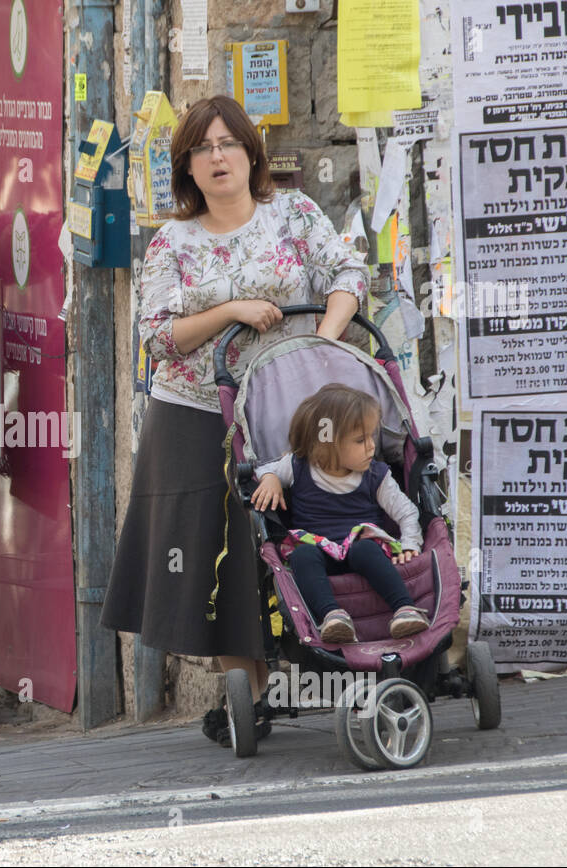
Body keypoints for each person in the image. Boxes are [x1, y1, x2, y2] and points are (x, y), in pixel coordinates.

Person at [100, 95, 368, 746]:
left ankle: (303, 671)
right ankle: (246, 692)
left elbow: (348, 271)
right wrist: (231, 310)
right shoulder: (173, 242)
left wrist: (325, 344)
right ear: (186, 168)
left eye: (228, 144)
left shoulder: (295, 214)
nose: (217, 157)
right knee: (208, 559)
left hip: (289, 402)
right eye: (202, 149)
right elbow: (159, 339)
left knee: (292, 538)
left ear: (251, 154)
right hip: (194, 414)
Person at [251, 384, 429, 643]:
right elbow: (261, 470)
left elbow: (406, 512)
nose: (371, 447)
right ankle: (332, 616)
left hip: (359, 548)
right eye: (360, 440)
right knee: (302, 556)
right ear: (326, 443)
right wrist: (270, 478)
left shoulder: (376, 475)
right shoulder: (297, 467)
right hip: (317, 547)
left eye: (372, 436)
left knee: (367, 549)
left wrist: (410, 543)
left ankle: (404, 608)